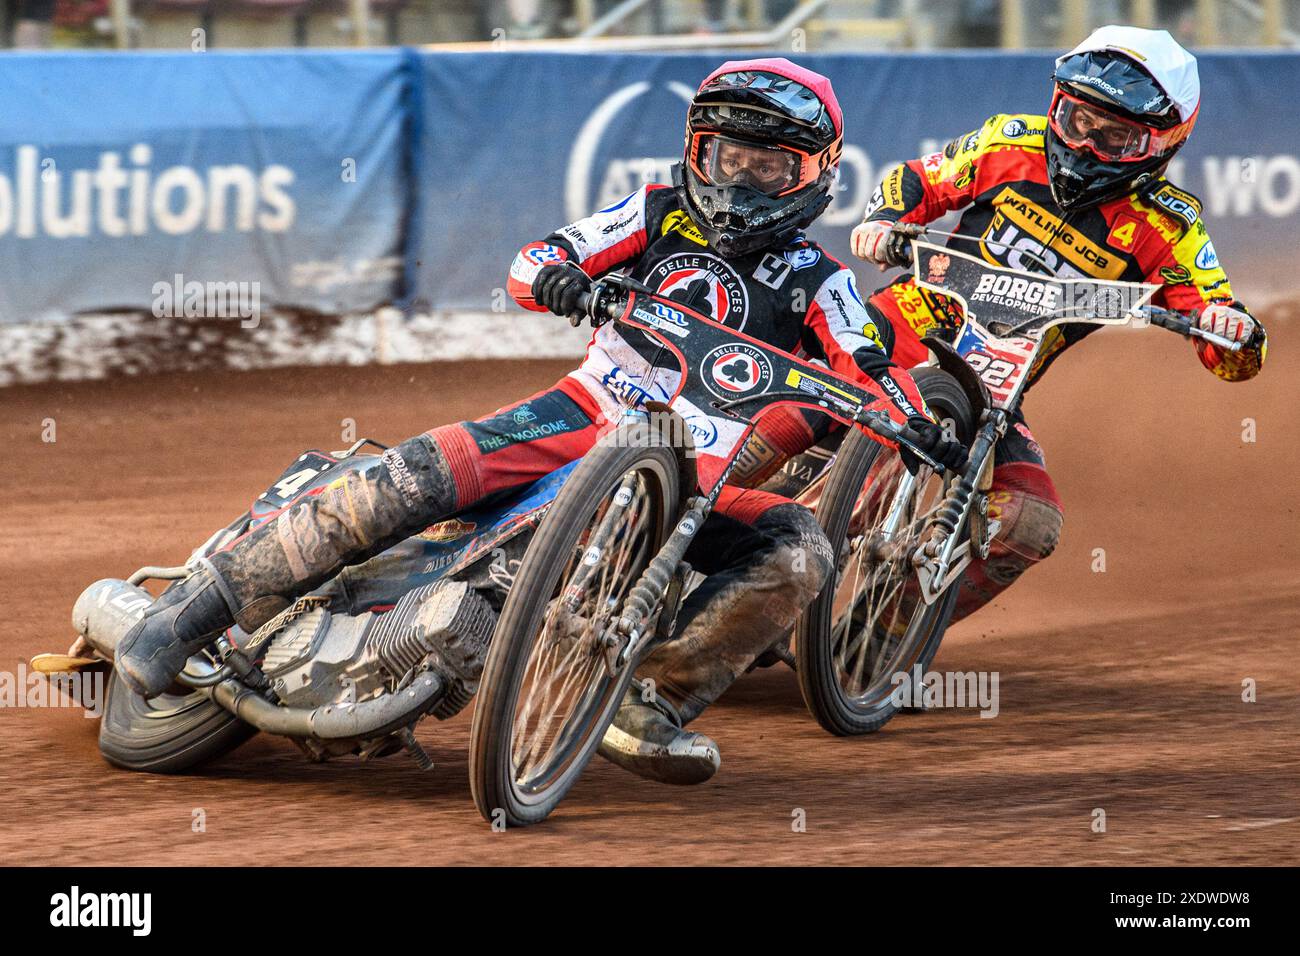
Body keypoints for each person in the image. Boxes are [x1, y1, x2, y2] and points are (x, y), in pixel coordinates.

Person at [115, 59, 964, 785]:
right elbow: (536, 259)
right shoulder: (654, 210)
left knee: (804, 548)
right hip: (582, 411)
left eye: (767, 167)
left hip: (696, 480)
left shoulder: (822, 281)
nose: (739, 181)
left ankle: (650, 701)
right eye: (724, 155)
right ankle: (187, 615)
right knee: (414, 471)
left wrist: (921, 430)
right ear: (696, 151)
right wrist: (561, 281)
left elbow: (874, 366)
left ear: (816, 174)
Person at [849, 25, 1267, 623]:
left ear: (1161, 144)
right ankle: (722, 515)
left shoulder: (1168, 224)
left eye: (1115, 136)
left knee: (1028, 520)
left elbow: (1223, 339)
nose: (1086, 145)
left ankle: (875, 640)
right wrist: (884, 220)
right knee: (810, 395)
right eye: (1076, 121)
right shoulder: (1008, 141)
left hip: (991, 386)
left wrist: (1233, 331)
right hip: (904, 324)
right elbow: (919, 180)